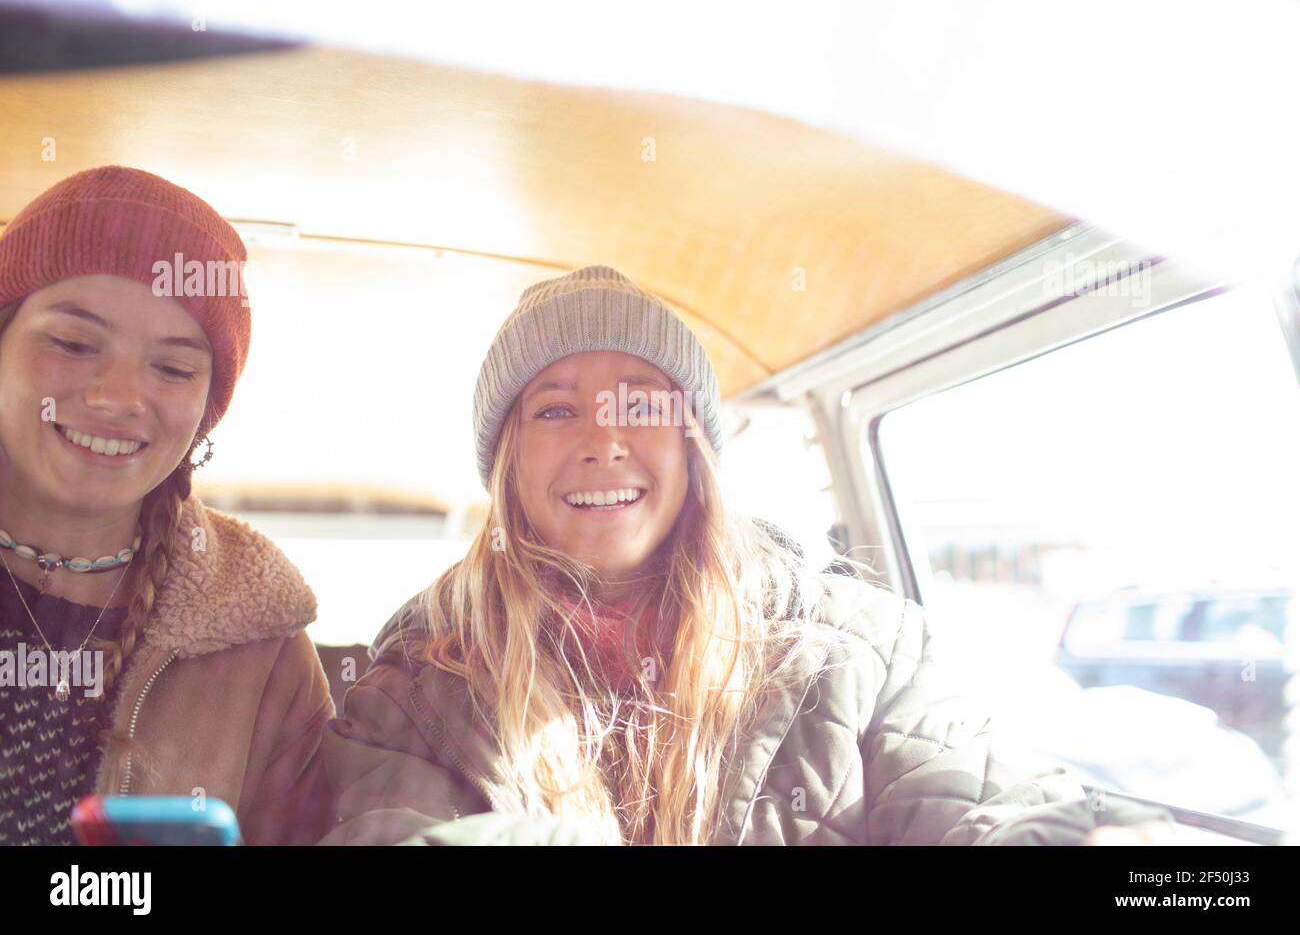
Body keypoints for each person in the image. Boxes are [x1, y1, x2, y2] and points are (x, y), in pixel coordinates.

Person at [319, 265, 1175, 845]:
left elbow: (988, 805)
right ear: (506, 461)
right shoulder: (416, 687)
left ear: (694, 445)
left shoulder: (862, 652)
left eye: (642, 405)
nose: (604, 440)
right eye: (554, 411)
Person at [0, 166, 333, 845]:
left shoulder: (266, 652)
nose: (118, 398)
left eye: (174, 368)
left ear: (206, 412)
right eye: (72, 342)